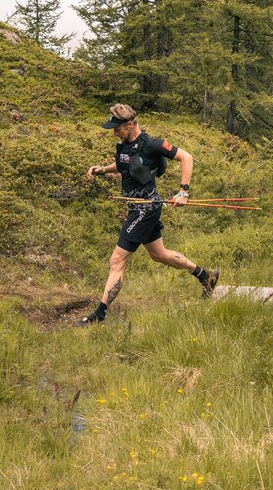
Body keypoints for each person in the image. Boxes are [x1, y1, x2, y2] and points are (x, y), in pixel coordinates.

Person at [77, 103, 219, 325]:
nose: (114, 132)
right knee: (159, 254)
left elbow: (186, 157)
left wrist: (183, 192)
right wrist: (103, 169)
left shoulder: (151, 144)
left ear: (131, 124)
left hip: (146, 208)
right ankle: (206, 276)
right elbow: (125, 164)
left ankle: (99, 315)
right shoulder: (124, 145)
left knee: (117, 260)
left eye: (117, 128)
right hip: (136, 207)